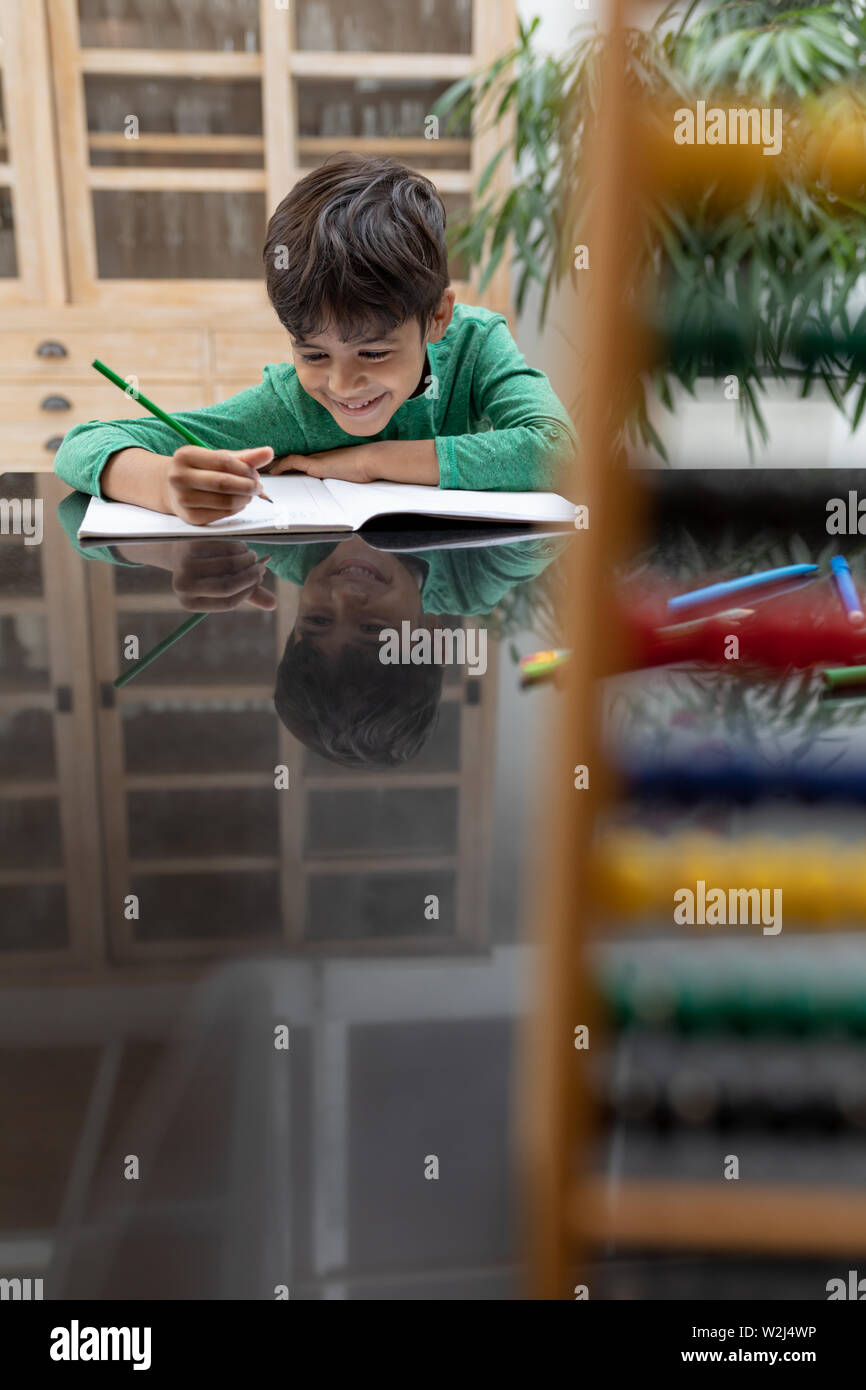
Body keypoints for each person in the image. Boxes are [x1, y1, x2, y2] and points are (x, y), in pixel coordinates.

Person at [53, 154, 577, 518]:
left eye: (373, 351)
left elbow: (558, 451)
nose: (344, 385)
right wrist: (164, 487)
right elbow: (80, 446)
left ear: (437, 318)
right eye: (313, 353)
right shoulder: (290, 408)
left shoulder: (475, 345)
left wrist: (368, 462)